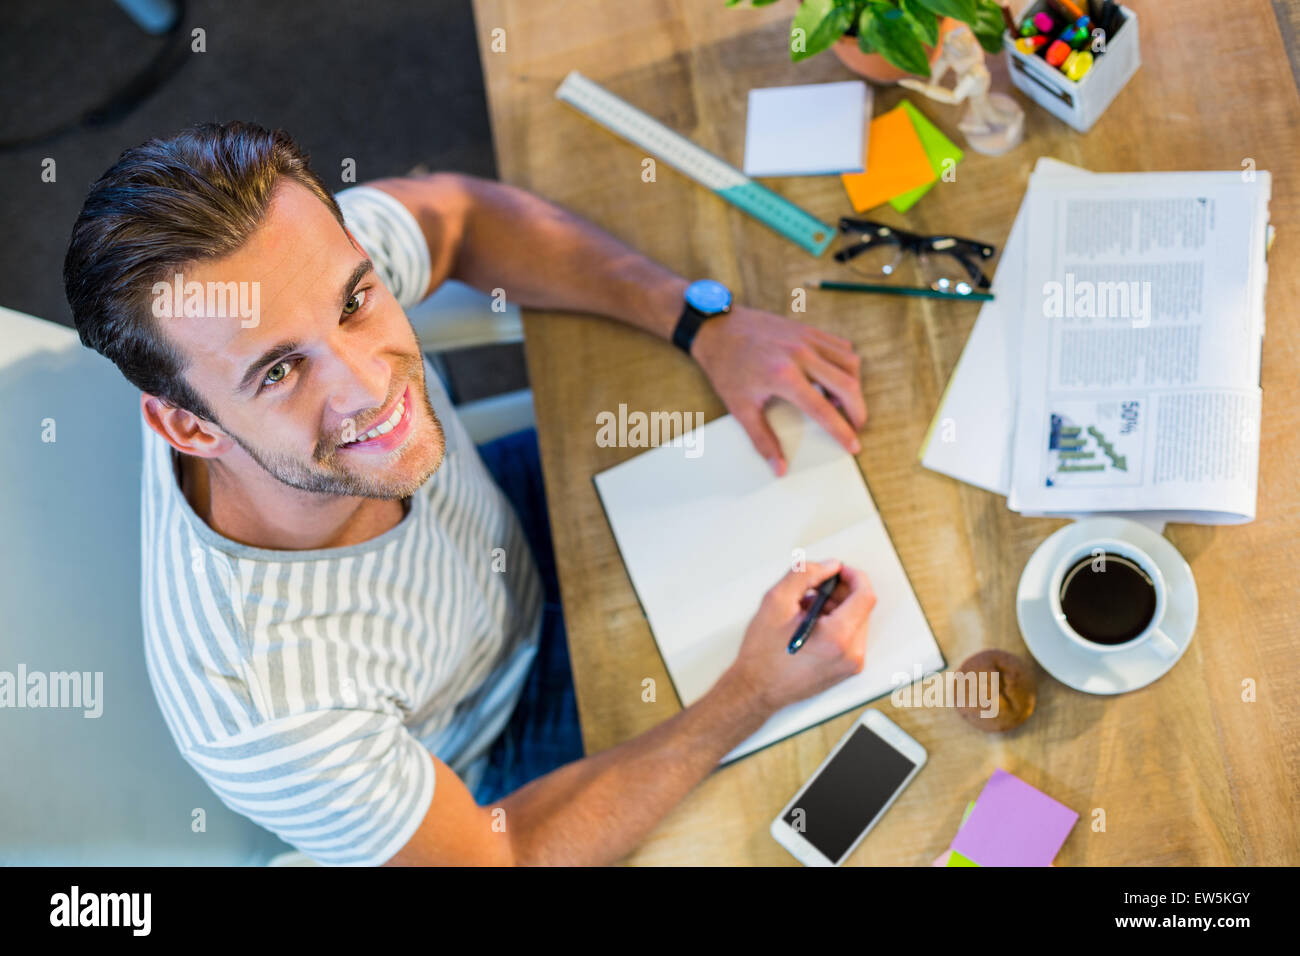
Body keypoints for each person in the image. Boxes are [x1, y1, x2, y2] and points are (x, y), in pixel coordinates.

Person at [63, 120, 877, 866]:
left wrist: (699, 320)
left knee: (849, 461)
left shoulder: (278, 263)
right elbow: (505, 855)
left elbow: (463, 216)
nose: (372, 388)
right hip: (501, 750)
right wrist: (751, 693)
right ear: (192, 429)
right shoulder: (270, 715)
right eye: (280, 371)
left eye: (355, 302)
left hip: (504, 531)